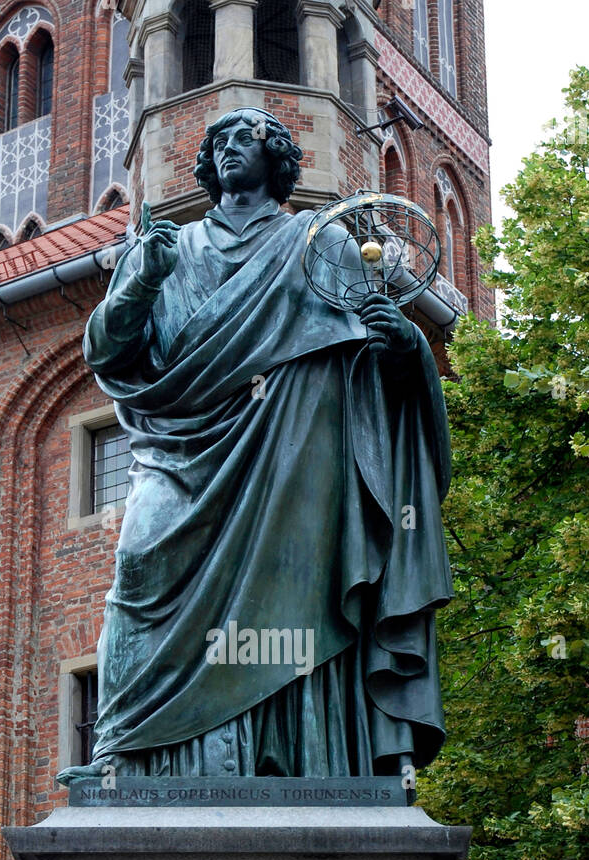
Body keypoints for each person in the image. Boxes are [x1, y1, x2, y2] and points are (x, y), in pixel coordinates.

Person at [57, 107, 453, 782]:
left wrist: (403, 344)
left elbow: (372, 366)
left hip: (296, 450)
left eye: (249, 137)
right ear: (208, 164)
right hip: (181, 450)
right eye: (221, 141)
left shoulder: (318, 240)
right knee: (137, 571)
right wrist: (141, 280)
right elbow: (108, 352)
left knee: (299, 591)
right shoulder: (169, 248)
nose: (232, 147)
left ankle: (307, 759)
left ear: (279, 160)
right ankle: (125, 749)